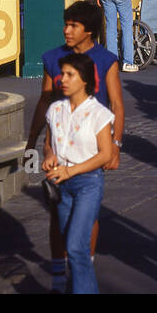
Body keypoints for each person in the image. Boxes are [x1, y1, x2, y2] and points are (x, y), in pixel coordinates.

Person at [26, 0, 125, 293]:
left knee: (87, 216)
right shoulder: (53, 58)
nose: (67, 30)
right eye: (66, 24)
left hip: (92, 144)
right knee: (57, 215)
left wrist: (116, 143)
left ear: (89, 30)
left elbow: (117, 105)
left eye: (74, 25)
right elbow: (45, 100)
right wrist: (34, 142)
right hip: (58, 143)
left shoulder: (106, 59)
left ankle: (83, 266)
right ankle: (60, 274)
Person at [42, 50, 115, 294]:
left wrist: (71, 171)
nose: (62, 79)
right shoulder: (55, 109)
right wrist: (50, 156)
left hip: (87, 184)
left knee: (75, 247)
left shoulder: (99, 114)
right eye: (62, 74)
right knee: (69, 245)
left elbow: (105, 154)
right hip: (61, 185)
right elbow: (48, 143)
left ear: (84, 79)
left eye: (69, 74)